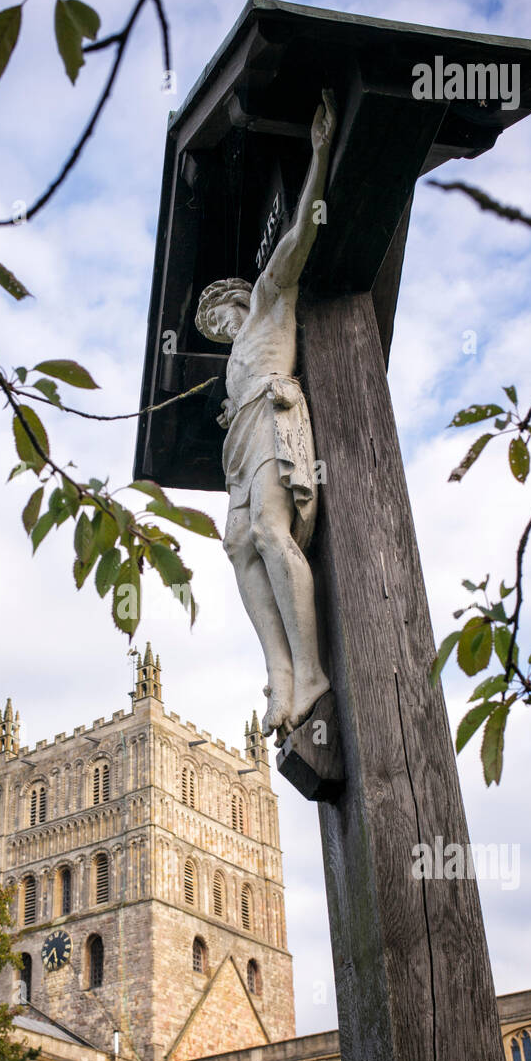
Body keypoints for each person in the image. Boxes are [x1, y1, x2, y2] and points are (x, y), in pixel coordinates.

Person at [194, 90, 337, 740]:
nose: (216, 326)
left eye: (216, 313)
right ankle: (279, 672)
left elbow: (303, 229)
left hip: (276, 420)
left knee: (274, 534)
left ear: (235, 297)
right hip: (243, 442)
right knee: (237, 542)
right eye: (209, 324)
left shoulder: (271, 300)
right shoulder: (234, 356)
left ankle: (310, 670)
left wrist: (320, 151)